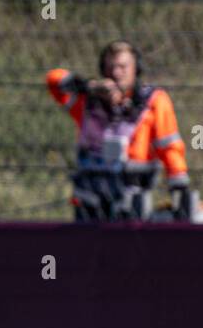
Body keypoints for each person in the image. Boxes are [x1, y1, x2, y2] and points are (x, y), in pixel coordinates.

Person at [46, 40, 191, 218]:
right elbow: (53, 80)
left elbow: (169, 147)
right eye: (110, 67)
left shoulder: (153, 101)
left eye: (123, 67)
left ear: (136, 68)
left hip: (133, 195)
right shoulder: (87, 102)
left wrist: (179, 184)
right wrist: (90, 87)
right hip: (90, 196)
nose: (116, 73)